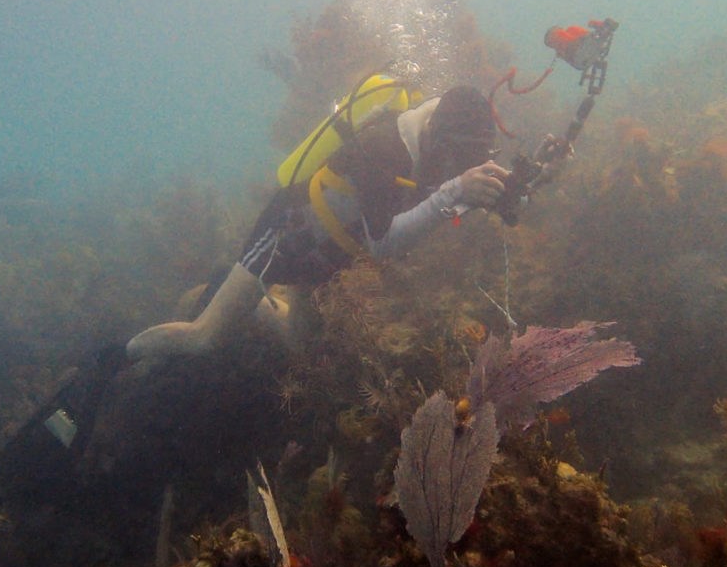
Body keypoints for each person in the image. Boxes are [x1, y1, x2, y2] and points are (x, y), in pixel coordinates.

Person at [126, 82, 509, 373]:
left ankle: (239, 295)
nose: (456, 165)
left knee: (300, 348)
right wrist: (454, 193)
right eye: (457, 156)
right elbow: (382, 244)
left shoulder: (433, 143)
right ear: (437, 135)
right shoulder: (383, 149)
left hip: (327, 257)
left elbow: (438, 197)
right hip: (284, 240)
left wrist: (501, 192)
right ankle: (119, 360)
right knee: (204, 339)